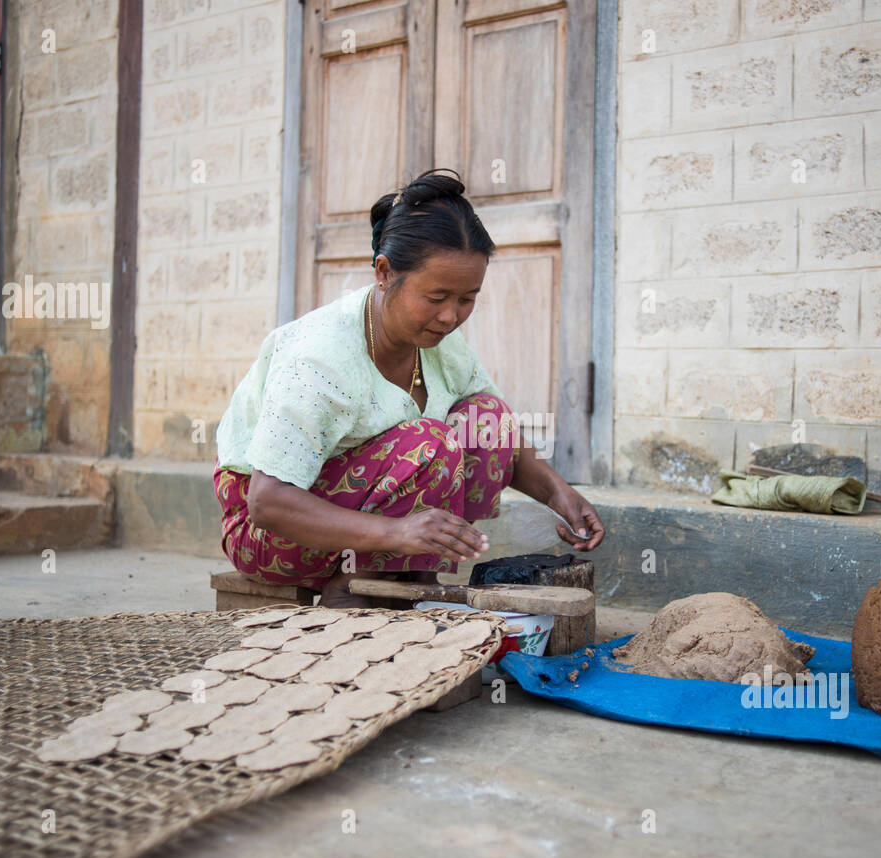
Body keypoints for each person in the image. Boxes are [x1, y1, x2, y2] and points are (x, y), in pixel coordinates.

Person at [213, 169, 605, 607]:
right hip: (270, 531)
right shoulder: (319, 357)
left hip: (361, 525)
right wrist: (397, 533)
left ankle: (407, 578)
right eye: (436, 297)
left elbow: (496, 437)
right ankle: (358, 585)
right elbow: (267, 503)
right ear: (384, 273)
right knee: (428, 445)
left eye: (466, 298)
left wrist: (559, 493)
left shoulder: (442, 347)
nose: (450, 316)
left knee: (486, 416)